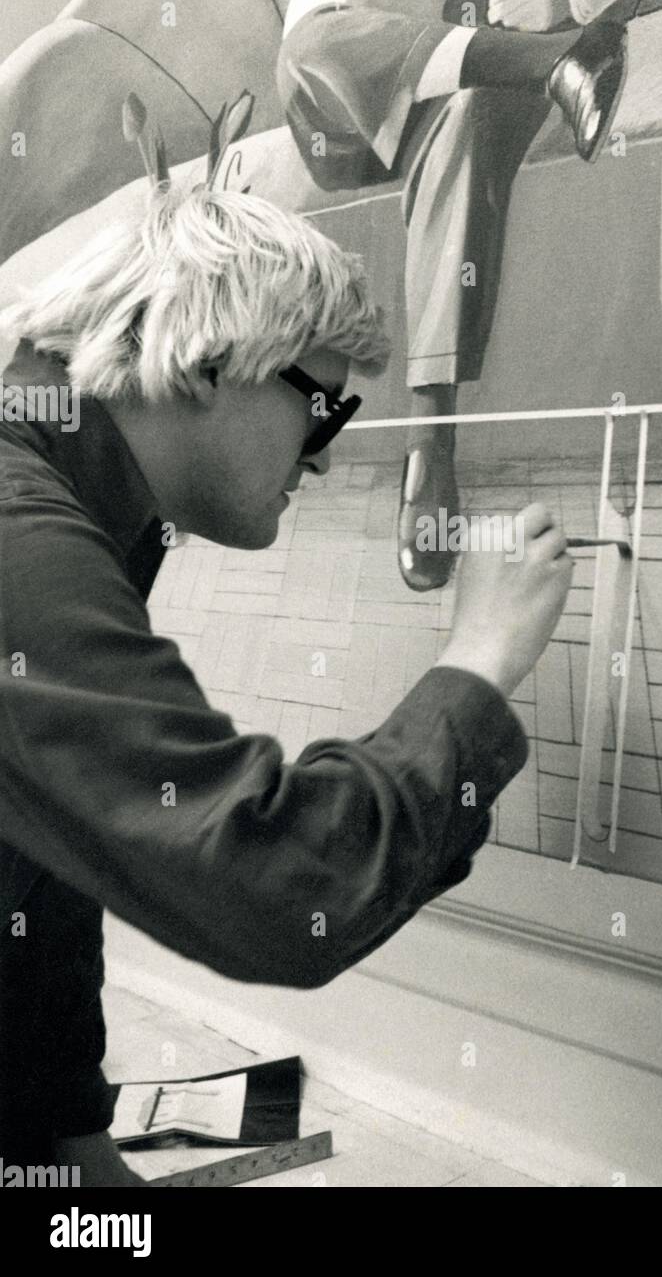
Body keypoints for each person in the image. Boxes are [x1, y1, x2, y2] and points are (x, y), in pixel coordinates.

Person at [0, 183, 573, 1184]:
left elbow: (48, 861)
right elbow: (273, 882)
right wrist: (481, 657)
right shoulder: (21, 530)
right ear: (206, 357)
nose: (321, 458)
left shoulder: (73, 484)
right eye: (320, 407)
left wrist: (73, 1139)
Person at [277, 0, 662, 592]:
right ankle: (556, 64)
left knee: (467, 117)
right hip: (361, 100)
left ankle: (430, 452)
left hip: (474, 88)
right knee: (312, 39)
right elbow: (313, 15)